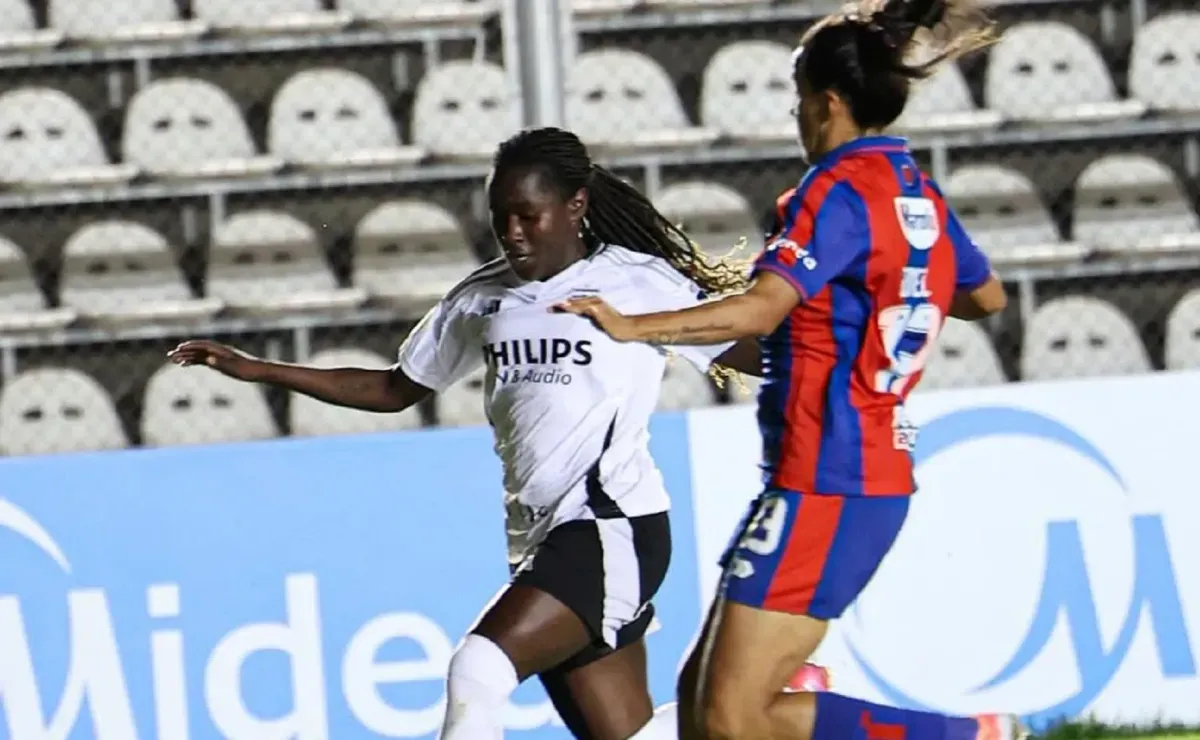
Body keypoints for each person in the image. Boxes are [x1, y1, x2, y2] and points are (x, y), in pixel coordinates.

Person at [168, 126, 766, 740]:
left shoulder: (638, 283)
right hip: (542, 540)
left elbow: (755, 352)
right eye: (500, 217)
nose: (512, 232)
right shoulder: (482, 299)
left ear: (576, 206)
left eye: (528, 216)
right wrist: (261, 369)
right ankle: (769, 719)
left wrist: (845, 354)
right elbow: (394, 389)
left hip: (612, 527)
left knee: (478, 669)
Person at [554, 0, 1024, 737]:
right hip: (857, 475)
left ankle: (966, 736)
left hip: (828, 478)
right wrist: (893, 291)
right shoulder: (915, 191)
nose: (796, 116)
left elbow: (758, 310)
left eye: (798, 100)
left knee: (736, 719)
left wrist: (631, 325)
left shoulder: (832, 192)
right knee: (704, 713)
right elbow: (985, 295)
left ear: (827, 103)